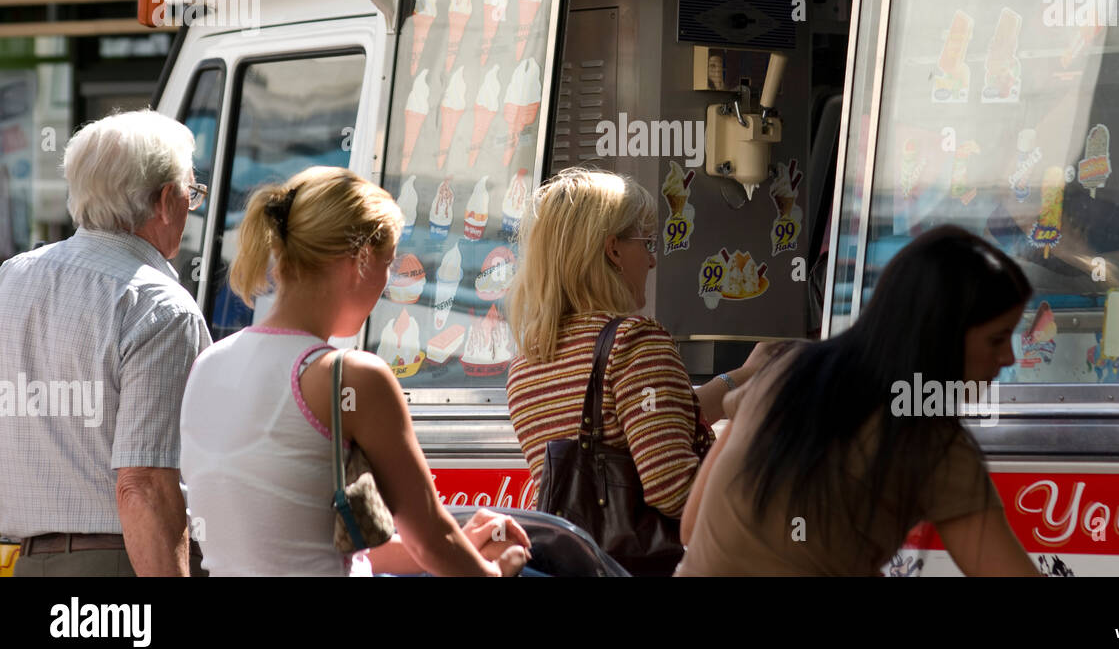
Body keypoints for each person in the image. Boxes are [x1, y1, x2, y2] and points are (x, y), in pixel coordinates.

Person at [179, 166, 529, 576]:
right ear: (359, 260)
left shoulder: (208, 366)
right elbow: (429, 536)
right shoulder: (351, 377)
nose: (386, 285)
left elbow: (302, 541)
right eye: (388, 264)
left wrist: (463, 544)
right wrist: (496, 571)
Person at [677, 225, 1041, 576]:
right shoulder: (933, 444)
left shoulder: (786, 370)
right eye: (997, 339)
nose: (1009, 357)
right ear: (942, 335)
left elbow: (691, 527)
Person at [506, 167, 773, 541]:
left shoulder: (527, 363)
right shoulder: (635, 342)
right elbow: (673, 487)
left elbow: (641, 423)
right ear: (613, 249)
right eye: (646, 243)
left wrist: (743, 378)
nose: (652, 260)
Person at [0, 110, 212, 576]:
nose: (189, 209)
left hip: (26, 562)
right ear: (162, 201)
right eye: (190, 193)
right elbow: (144, 485)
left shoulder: (11, 279)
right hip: (123, 561)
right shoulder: (159, 305)